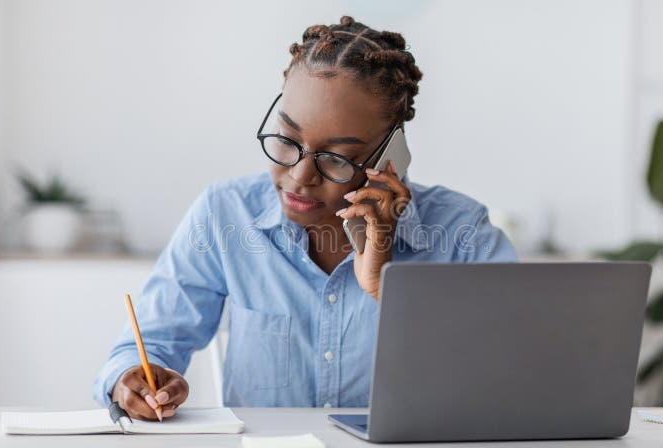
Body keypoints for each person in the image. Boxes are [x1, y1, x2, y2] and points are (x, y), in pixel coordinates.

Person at [93, 16, 516, 421]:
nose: (300, 176)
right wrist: (134, 381)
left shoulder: (462, 235)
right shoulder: (225, 214)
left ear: (391, 158)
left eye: (337, 157)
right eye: (287, 139)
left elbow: (511, 378)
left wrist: (389, 291)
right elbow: (148, 345)